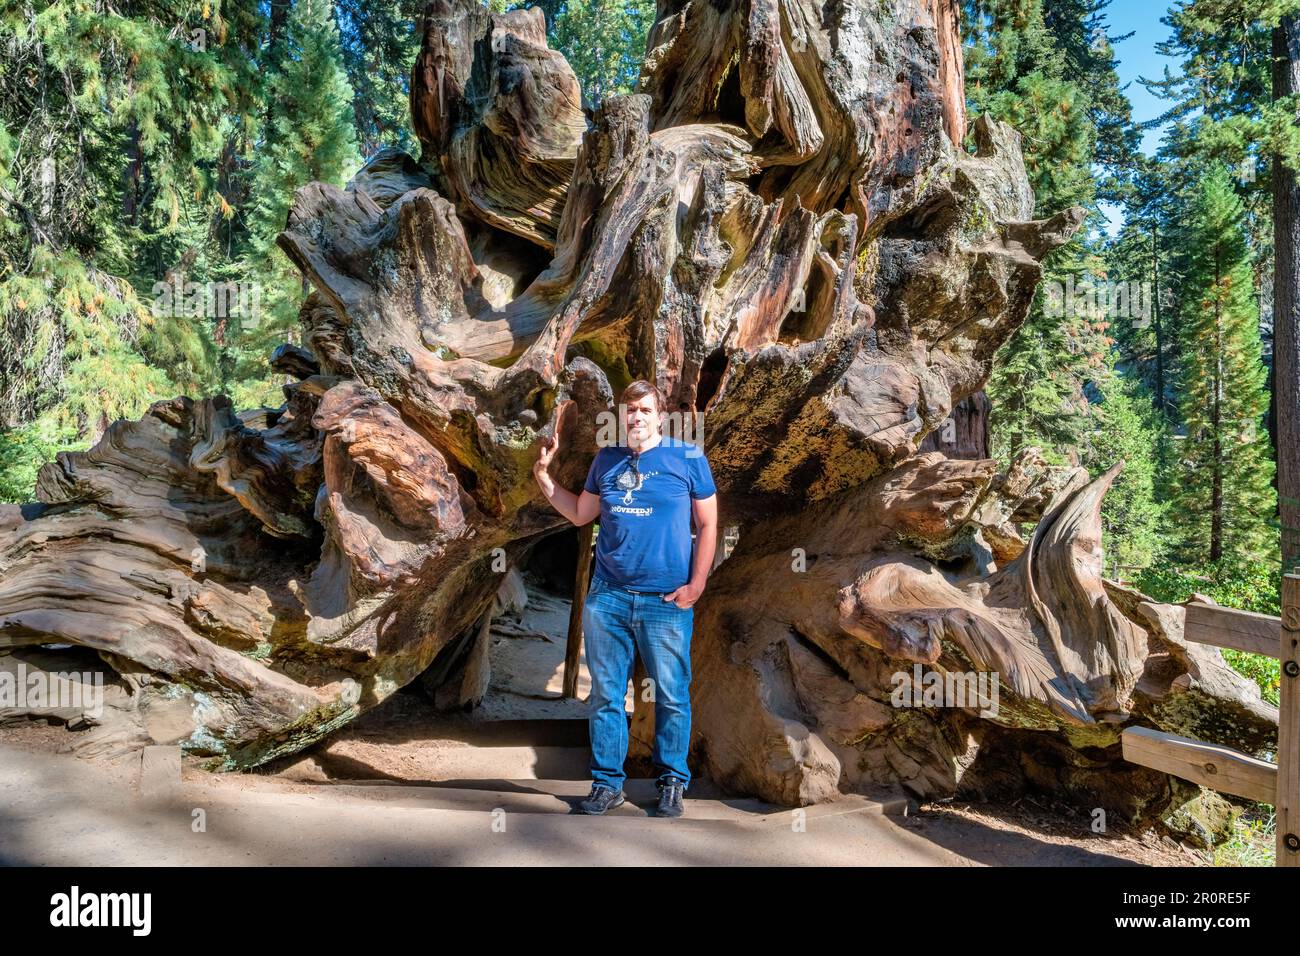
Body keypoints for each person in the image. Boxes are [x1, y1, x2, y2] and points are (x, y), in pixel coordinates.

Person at [532, 380, 718, 818]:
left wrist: (697, 585)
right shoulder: (607, 460)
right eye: (629, 410)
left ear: (660, 414)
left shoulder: (688, 457)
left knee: (671, 694)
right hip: (609, 599)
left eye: (644, 409)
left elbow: (708, 525)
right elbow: (581, 513)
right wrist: (543, 476)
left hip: (667, 601)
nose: (636, 417)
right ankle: (607, 784)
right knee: (606, 695)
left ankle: (672, 782)